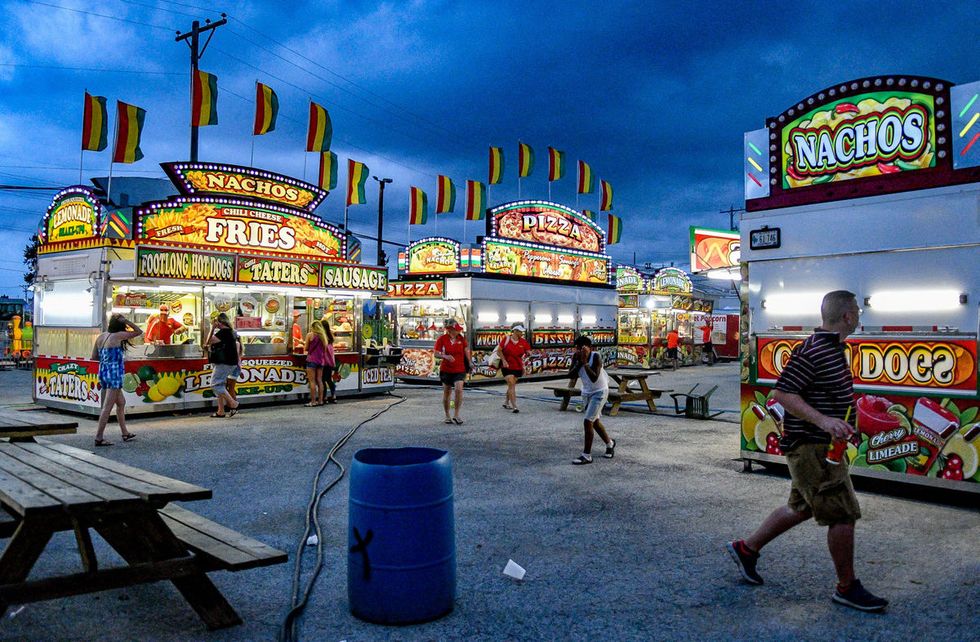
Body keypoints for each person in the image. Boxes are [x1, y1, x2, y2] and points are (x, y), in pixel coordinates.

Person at [727, 290, 887, 612]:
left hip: (824, 446)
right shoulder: (814, 350)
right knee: (842, 513)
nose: (859, 315)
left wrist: (843, 423)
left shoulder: (834, 349)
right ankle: (847, 587)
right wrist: (825, 421)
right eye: (856, 310)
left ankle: (747, 549)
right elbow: (782, 393)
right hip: (813, 449)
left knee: (800, 507)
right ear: (847, 316)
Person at [92, 314, 143, 446]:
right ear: (120, 325)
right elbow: (139, 331)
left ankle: (125, 433)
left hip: (103, 372)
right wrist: (126, 321)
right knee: (107, 407)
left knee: (121, 403)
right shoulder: (118, 336)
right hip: (114, 374)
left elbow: (94, 357)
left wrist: (108, 360)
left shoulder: (101, 336)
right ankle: (99, 437)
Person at [567, 335, 615, 465]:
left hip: (599, 391)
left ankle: (586, 455)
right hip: (587, 392)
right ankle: (610, 443)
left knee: (588, 421)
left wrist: (585, 363)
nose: (579, 350)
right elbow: (570, 375)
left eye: (582, 348)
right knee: (595, 421)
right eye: (577, 348)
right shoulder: (576, 357)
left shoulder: (596, 356)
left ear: (590, 348)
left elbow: (594, 377)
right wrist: (578, 362)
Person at [434, 319, 470, 425]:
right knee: (447, 392)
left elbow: (466, 350)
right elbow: (436, 353)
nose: (458, 331)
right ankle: (447, 415)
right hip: (446, 369)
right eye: (456, 329)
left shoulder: (461, 339)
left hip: (460, 369)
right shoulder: (442, 339)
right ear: (450, 330)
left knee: (459, 389)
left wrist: (470, 361)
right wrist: (445, 356)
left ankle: (456, 414)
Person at [206, 313, 241, 418]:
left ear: (219, 322)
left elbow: (208, 341)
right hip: (229, 362)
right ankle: (220, 411)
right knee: (220, 385)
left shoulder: (223, 332)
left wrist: (212, 328)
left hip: (225, 362)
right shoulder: (231, 332)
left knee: (215, 384)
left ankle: (233, 403)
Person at [499, 323, 531, 413]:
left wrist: (529, 353)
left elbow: (528, 350)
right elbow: (499, 351)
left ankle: (506, 402)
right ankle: (515, 406)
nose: (522, 333)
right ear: (515, 331)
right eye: (521, 332)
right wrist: (504, 360)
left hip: (517, 366)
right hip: (506, 366)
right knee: (511, 384)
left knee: (511, 385)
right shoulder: (506, 339)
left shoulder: (523, 342)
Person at [305, 320, 328, 406]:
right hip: (321, 361)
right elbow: (325, 350)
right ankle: (321, 401)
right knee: (320, 380)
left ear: (312, 327)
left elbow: (306, 348)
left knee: (312, 381)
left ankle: (313, 401)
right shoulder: (323, 336)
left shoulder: (310, 335)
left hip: (312, 360)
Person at [322, 321, 338, 404]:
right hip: (330, 362)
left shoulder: (323, 337)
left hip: (324, 362)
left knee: (323, 380)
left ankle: (324, 397)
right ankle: (333, 395)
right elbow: (331, 352)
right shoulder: (330, 337)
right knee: (329, 379)